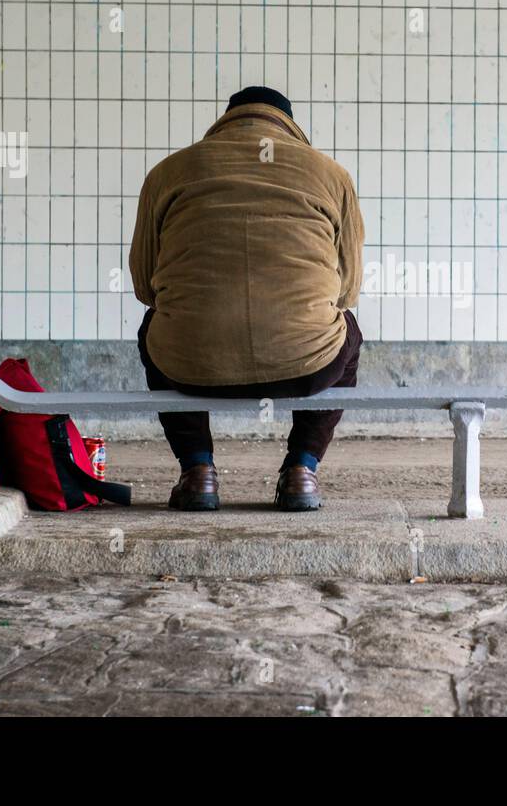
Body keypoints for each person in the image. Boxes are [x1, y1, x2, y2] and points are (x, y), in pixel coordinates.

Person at [129, 86, 364, 512]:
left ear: (227, 120)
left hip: (190, 365)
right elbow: (349, 291)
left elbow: (145, 287)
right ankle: (302, 470)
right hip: (307, 365)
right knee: (348, 334)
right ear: (291, 126)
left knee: (155, 327)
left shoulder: (169, 172)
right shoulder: (331, 175)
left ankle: (198, 471)